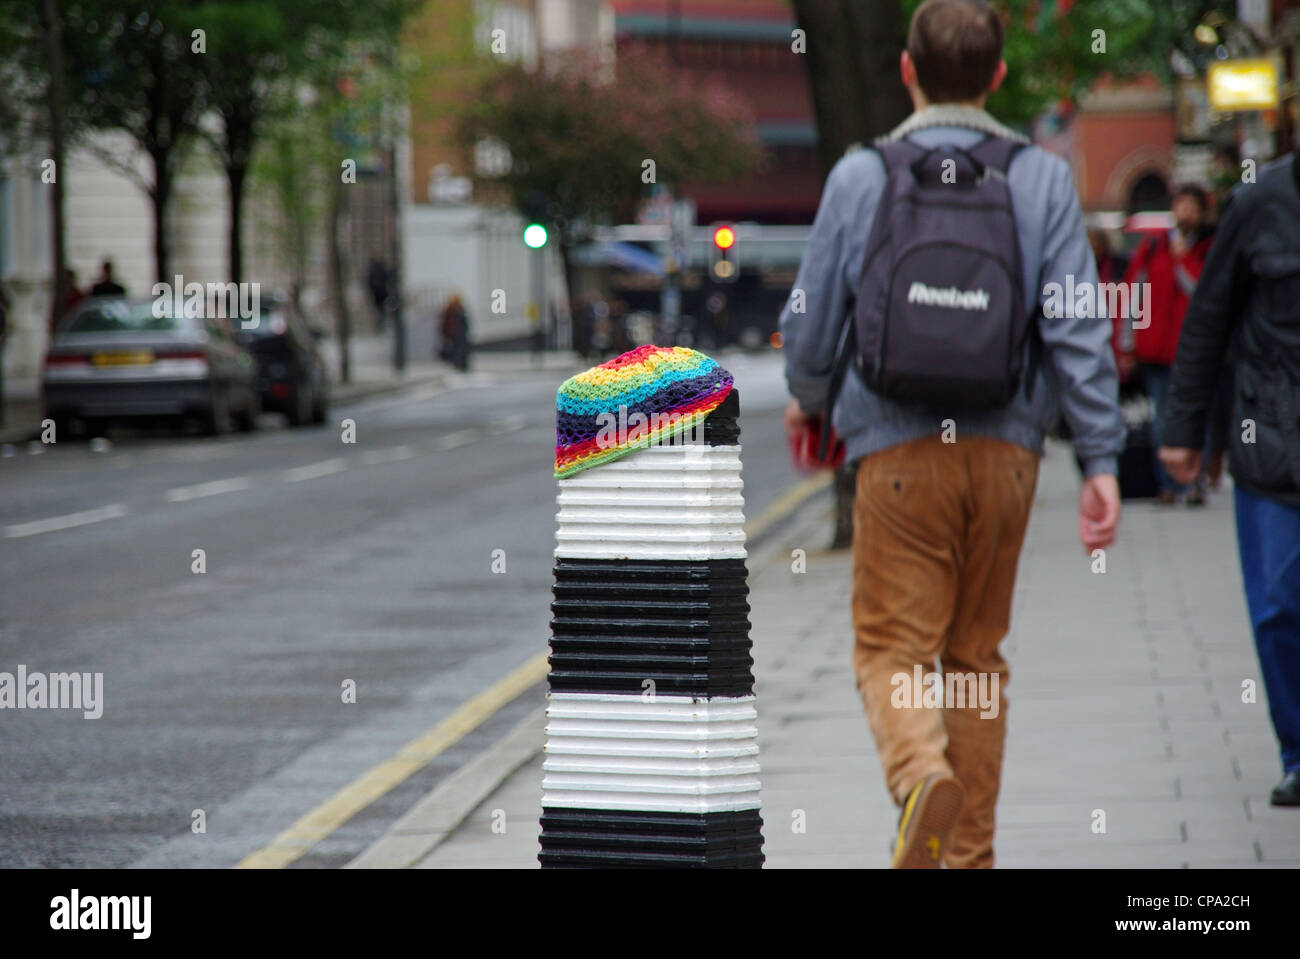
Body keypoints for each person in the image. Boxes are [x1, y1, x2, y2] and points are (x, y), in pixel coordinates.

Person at [780, 0, 1123, 868]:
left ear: (907, 70)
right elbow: (1077, 323)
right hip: (1007, 449)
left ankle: (919, 773)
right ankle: (967, 856)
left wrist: (808, 397)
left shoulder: (863, 175)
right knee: (975, 656)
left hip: (895, 450)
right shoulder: (1041, 178)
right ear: (999, 79)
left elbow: (812, 318)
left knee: (893, 644)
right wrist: (1101, 455)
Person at [1159, 144, 1300, 808]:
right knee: (1278, 601)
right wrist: (1183, 431)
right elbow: (1207, 320)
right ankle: (1299, 750)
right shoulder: (1259, 204)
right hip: (1272, 441)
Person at [1122, 185, 1215, 504]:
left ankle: (1194, 481)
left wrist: (1182, 261)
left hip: (1193, 351)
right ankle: (1167, 484)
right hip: (1155, 350)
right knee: (1160, 416)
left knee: (1193, 416)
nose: (1185, 213)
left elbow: (1204, 293)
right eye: (1180, 205)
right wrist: (1126, 344)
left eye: (1191, 207)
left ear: (1202, 212)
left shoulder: (1208, 249)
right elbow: (1134, 297)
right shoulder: (1152, 248)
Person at [438, 293, 470, 372]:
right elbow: (446, 323)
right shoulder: (452, 309)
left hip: (458, 333)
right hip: (456, 333)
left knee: (459, 349)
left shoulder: (457, 309)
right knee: (457, 349)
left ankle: (460, 364)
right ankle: (459, 364)